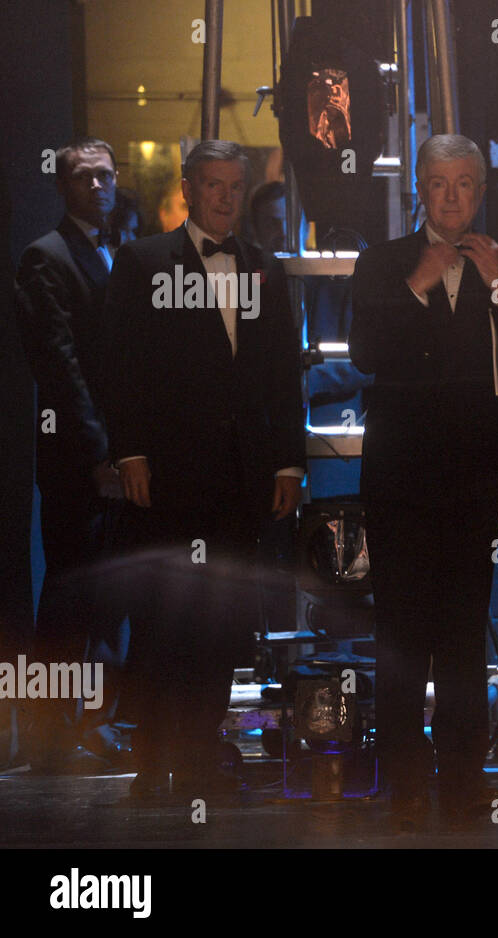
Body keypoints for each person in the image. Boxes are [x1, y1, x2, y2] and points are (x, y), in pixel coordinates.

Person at [348, 134, 498, 828]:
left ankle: (463, 778)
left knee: (462, 632)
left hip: (474, 473)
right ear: (420, 192)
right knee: (402, 631)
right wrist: (415, 287)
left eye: (466, 184)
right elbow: (365, 354)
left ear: (482, 193)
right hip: (400, 472)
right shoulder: (382, 264)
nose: (453, 196)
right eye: (439, 184)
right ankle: (401, 778)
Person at [104, 139, 306, 802]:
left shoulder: (264, 268)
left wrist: (286, 461)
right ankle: (151, 765)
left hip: (240, 476)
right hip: (166, 476)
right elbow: (120, 366)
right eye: (212, 185)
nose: (223, 197)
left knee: (221, 625)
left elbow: (281, 372)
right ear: (189, 187)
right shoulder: (142, 262)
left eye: (233, 186)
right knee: (165, 623)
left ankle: (193, 762)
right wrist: (129, 453)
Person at [14, 138, 128, 773]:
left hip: (113, 451)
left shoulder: (110, 252)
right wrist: (97, 452)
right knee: (69, 594)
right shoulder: (46, 257)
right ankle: (53, 732)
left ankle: (92, 724)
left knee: (106, 592)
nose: (99, 187)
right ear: (64, 186)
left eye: (106, 177)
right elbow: (60, 368)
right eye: (86, 179)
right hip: (78, 455)